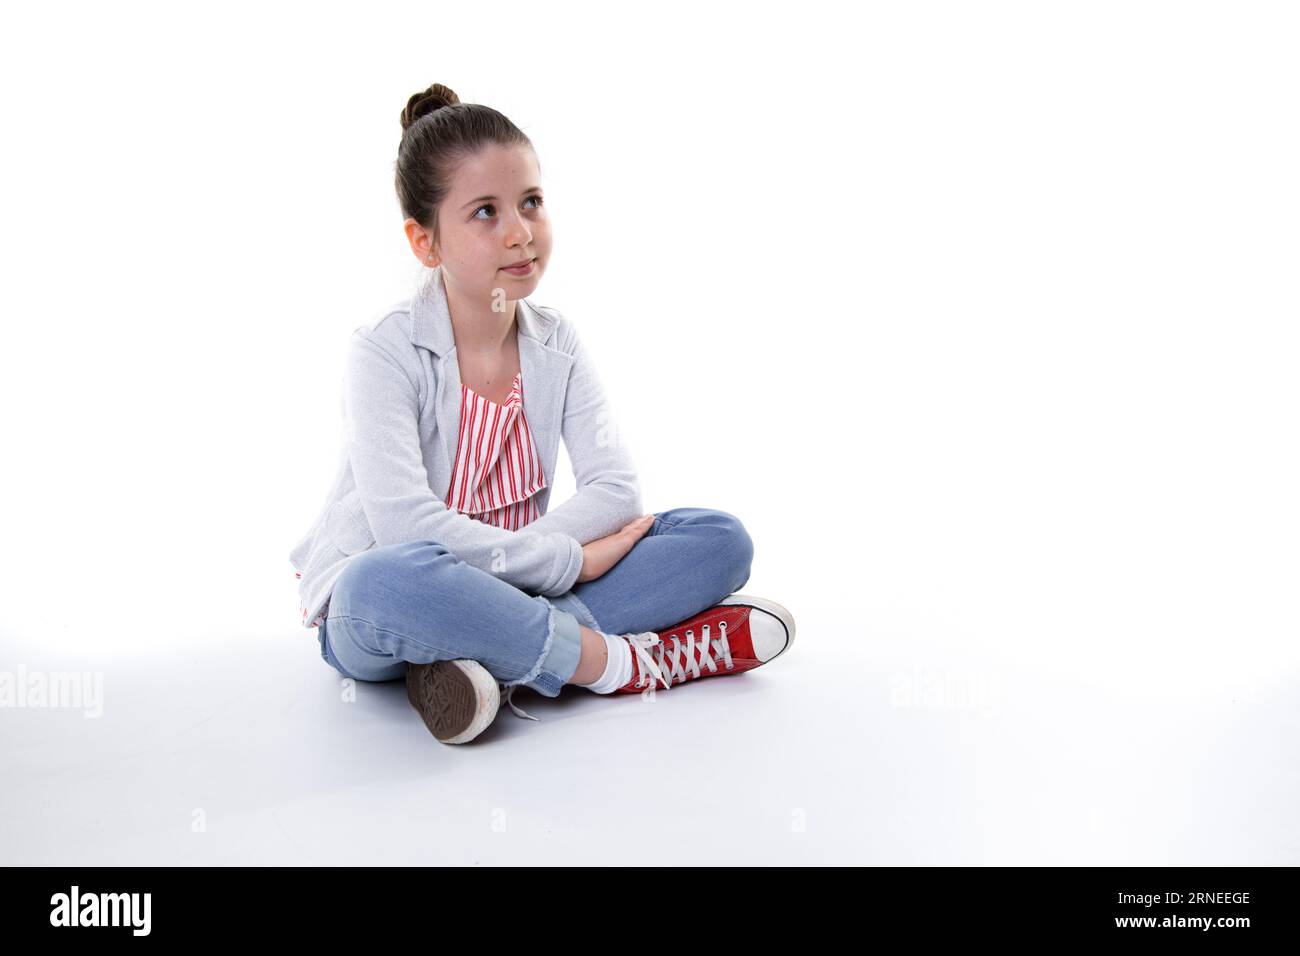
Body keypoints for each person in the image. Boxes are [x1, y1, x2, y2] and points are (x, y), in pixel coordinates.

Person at [287, 82, 795, 745]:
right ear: (424, 242)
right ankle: (615, 663)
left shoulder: (556, 341)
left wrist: (520, 572)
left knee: (718, 538)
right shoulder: (383, 351)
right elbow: (405, 528)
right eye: (486, 213)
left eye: (530, 202)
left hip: (520, 587)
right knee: (379, 581)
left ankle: (476, 662)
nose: (521, 232)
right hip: (397, 596)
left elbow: (617, 490)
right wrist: (564, 563)